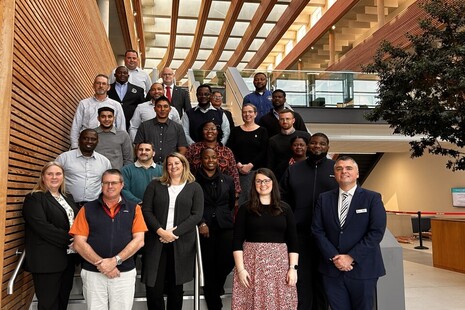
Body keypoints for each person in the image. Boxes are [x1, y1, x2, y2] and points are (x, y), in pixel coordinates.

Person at [311, 156, 386, 310]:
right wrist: (335, 257)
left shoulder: (372, 198)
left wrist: (351, 257)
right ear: (335, 174)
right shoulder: (324, 199)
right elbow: (317, 230)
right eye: (339, 169)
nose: (343, 171)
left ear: (357, 174)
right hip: (332, 270)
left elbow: (376, 232)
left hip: (363, 269)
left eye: (348, 168)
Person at [70, 169, 147, 310]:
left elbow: (139, 241)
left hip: (123, 273)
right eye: (106, 183)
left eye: (114, 183)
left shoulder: (134, 208)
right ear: (101, 185)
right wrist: (102, 264)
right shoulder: (87, 208)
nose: (110, 186)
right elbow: (79, 243)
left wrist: (114, 261)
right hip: (93, 273)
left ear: (122, 185)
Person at [280, 133, 339, 310]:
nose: (317, 146)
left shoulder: (336, 169)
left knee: (323, 282)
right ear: (307, 146)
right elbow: (282, 198)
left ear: (328, 147)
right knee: (301, 281)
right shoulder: (294, 169)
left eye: (322, 144)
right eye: (313, 143)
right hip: (300, 235)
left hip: (328, 236)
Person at [141, 152, 204, 310]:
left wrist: (174, 233)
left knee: (175, 289)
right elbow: (147, 211)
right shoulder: (155, 185)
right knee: (153, 287)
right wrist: (161, 231)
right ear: (165, 167)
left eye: (177, 163)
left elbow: (197, 215)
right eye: (169, 164)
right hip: (156, 241)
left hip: (181, 242)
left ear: (184, 165)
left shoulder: (194, 187)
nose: (173, 166)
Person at [232, 168, 299, 309]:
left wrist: (293, 268)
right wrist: (240, 270)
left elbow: (293, 242)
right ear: (254, 184)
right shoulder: (245, 209)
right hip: (251, 265)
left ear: (273, 183)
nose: (263, 184)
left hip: (279, 267)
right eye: (258, 181)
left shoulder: (285, 209)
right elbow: (237, 241)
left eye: (266, 180)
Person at [22, 162, 78, 310]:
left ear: (63, 177)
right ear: (43, 177)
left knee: (62, 302)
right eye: (50, 174)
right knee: (48, 305)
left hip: (68, 258)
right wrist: (73, 240)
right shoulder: (34, 198)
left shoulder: (68, 197)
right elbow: (43, 228)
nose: (54, 177)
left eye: (58, 174)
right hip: (46, 261)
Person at [195, 148, 235, 310]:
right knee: (209, 265)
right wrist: (201, 222)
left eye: (213, 157)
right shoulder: (193, 181)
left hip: (224, 225)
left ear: (218, 159)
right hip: (204, 229)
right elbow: (192, 205)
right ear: (201, 160)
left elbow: (231, 203)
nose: (210, 160)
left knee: (227, 261)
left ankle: (216, 285)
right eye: (206, 157)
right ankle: (214, 302)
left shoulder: (228, 180)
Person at [56, 129, 112, 208]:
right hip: (68, 205)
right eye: (85, 138)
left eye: (93, 139)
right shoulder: (64, 158)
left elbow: (108, 184)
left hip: (95, 207)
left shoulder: (105, 162)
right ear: (79, 140)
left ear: (97, 141)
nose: (89, 141)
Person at [185, 120, 241, 197]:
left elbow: (233, 173)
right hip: (198, 191)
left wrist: (236, 193)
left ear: (218, 131)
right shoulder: (193, 149)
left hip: (222, 192)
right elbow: (185, 169)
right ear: (202, 131)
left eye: (213, 129)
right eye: (206, 129)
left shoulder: (226, 151)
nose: (209, 131)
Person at [69, 74, 126, 149]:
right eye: (98, 83)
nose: (101, 86)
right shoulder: (84, 103)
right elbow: (76, 126)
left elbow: (121, 128)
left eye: (104, 84)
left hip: (108, 144)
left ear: (108, 87)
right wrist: (74, 146)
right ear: (93, 86)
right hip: (86, 143)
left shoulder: (116, 105)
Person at [227, 103, 268, 205]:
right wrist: (238, 164)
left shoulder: (262, 131)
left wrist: (250, 165)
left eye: (250, 112)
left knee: (254, 201)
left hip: (256, 171)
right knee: (239, 202)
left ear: (255, 114)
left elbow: (264, 151)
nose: (247, 114)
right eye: (244, 112)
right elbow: (230, 150)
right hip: (237, 172)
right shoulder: (235, 130)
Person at [133, 96, 188, 164]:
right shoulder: (144, 126)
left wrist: (174, 163)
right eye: (159, 106)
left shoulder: (177, 127)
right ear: (154, 109)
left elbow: (183, 149)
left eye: (165, 106)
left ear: (170, 109)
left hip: (170, 167)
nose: (162, 109)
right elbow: (137, 147)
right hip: (148, 166)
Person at [267, 109, 310, 181]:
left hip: (304, 174)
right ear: (279, 121)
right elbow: (270, 163)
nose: (285, 121)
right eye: (282, 119)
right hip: (281, 177)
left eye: (288, 119)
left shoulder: (305, 136)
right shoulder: (273, 140)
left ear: (293, 120)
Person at [107, 65, 145, 130]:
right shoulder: (107, 89)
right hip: (111, 123)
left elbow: (142, 107)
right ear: (115, 75)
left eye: (125, 73)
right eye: (119, 73)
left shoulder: (138, 90)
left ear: (128, 75)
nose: (122, 75)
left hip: (131, 125)